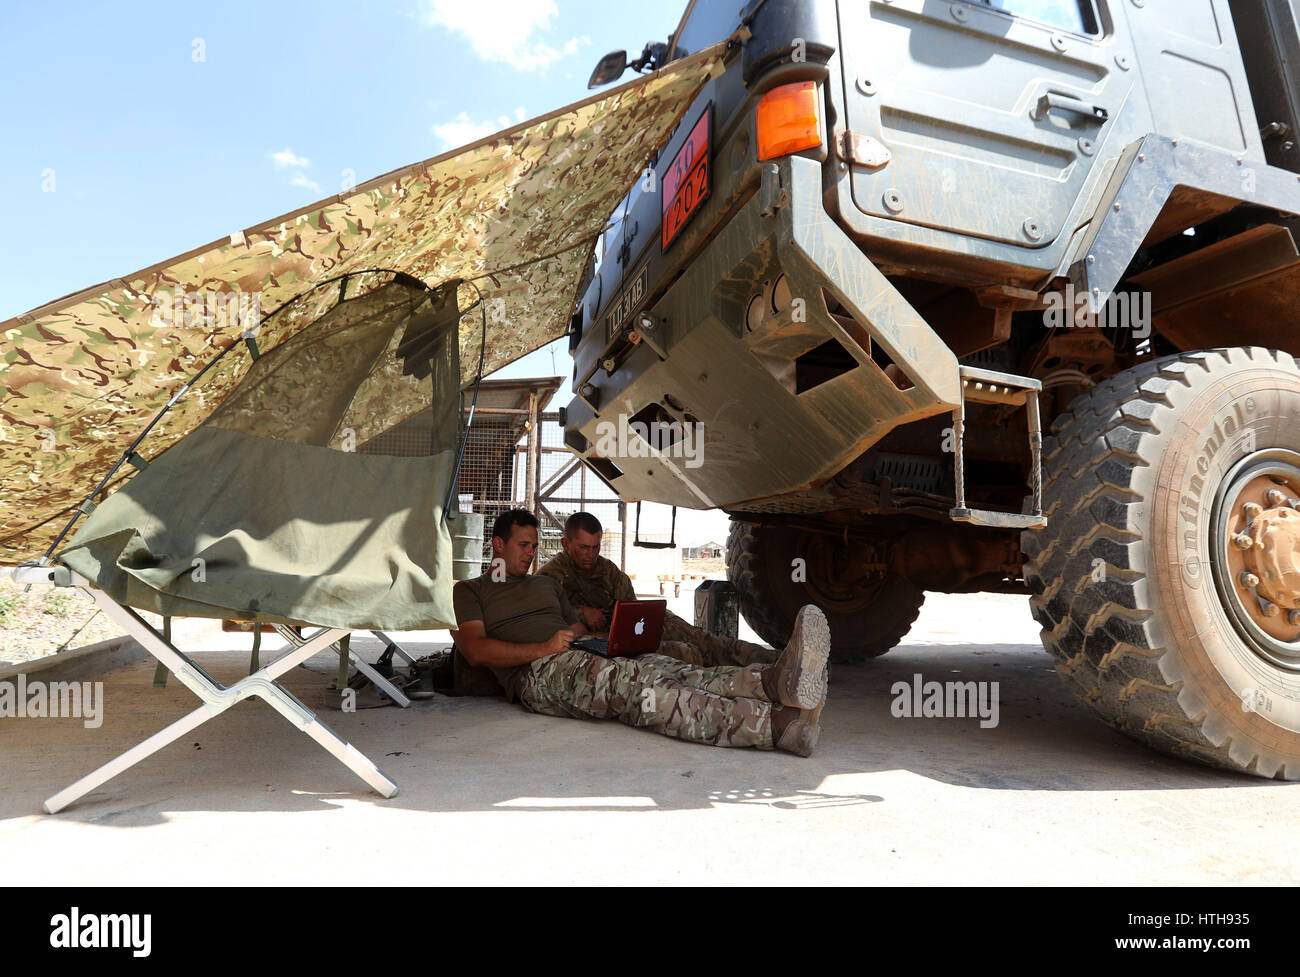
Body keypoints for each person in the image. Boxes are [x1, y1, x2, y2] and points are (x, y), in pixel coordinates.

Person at [451, 508, 829, 755]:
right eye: (522, 545)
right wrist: (544, 648)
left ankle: (775, 683)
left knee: (676, 670)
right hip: (537, 674)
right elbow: (476, 650)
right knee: (639, 688)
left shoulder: (544, 585)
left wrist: (606, 634)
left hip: (581, 653)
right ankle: (776, 728)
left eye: (534, 546)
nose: (530, 553)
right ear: (498, 544)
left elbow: (574, 625)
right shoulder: (471, 591)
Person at [536, 510, 780, 669]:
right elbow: (542, 619)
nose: (591, 554)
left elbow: (631, 612)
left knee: (700, 637)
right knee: (687, 653)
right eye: (583, 547)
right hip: (596, 645)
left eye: (595, 547)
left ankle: (773, 660)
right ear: (566, 544)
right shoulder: (549, 576)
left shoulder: (608, 570)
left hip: (624, 636)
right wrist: (582, 613)